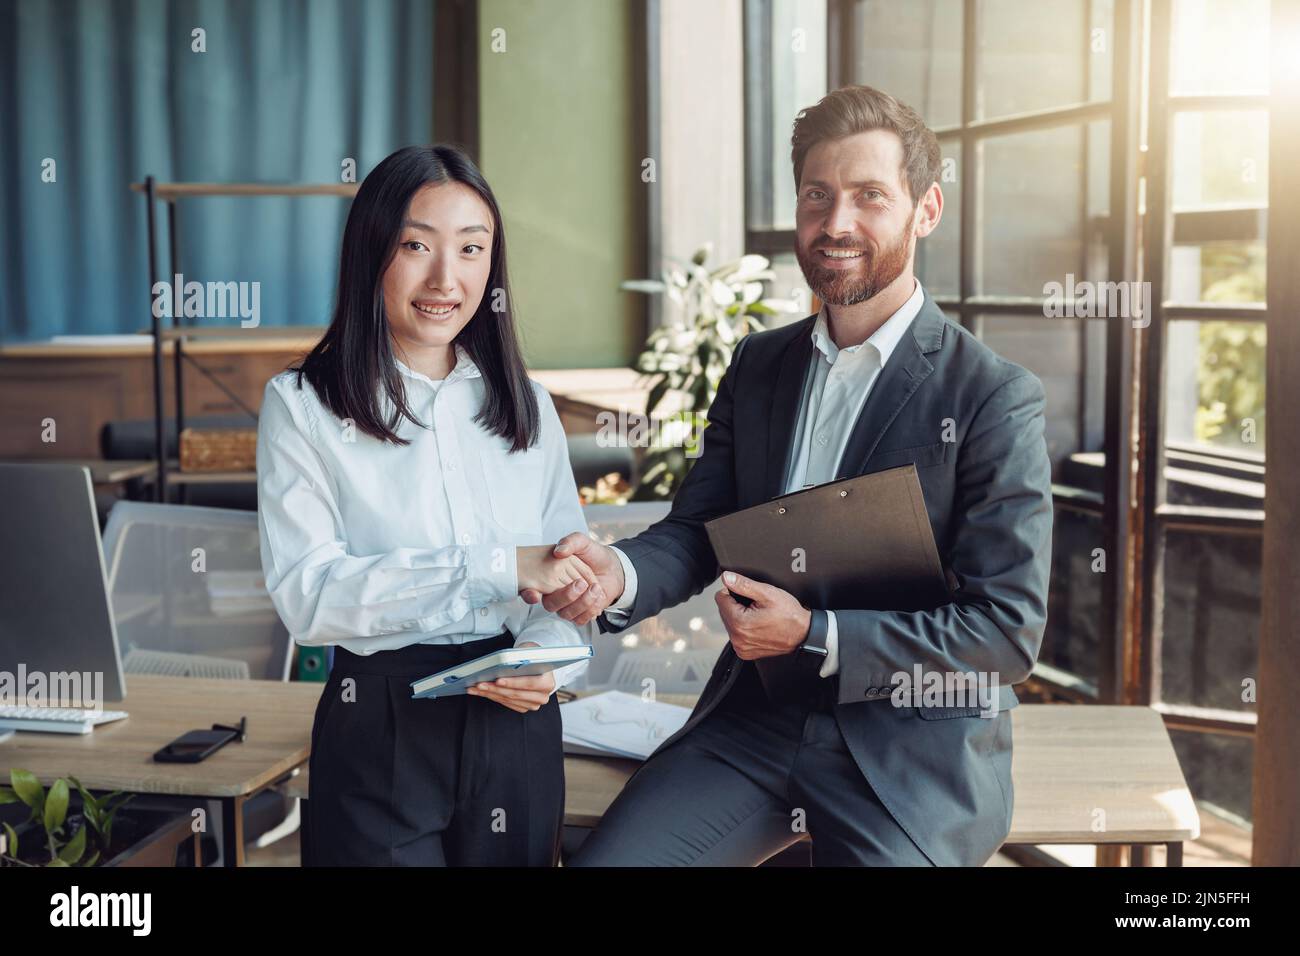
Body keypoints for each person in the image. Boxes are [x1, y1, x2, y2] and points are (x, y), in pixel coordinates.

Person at [525, 85, 1053, 866]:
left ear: (926, 209)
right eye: (817, 196)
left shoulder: (992, 397)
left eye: (870, 196)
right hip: (754, 724)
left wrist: (816, 634)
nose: (836, 224)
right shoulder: (759, 365)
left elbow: (1004, 630)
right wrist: (619, 574)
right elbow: (697, 533)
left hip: (907, 752)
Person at [257, 144, 597, 866]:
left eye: (472, 250)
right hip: (379, 723)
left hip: (516, 726)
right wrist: (496, 567)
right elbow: (309, 598)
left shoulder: (527, 406)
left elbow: (571, 583)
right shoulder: (302, 405)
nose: (447, 278)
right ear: (372, 251)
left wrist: (546, 658)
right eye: (417, 246)